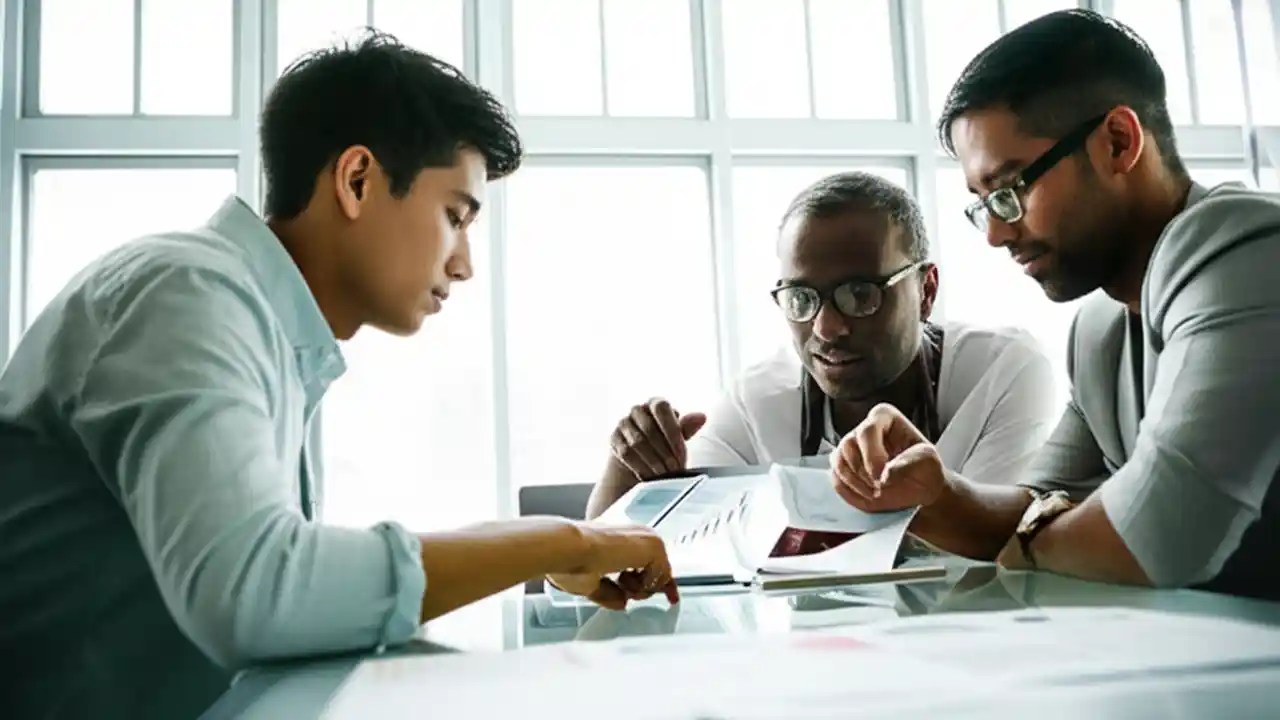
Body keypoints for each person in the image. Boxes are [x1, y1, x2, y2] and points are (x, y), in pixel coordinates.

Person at [0, 34, 675, 719]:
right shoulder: (188, 294)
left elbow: (286, 595)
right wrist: (561, 543)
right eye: (454, 216)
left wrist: (549, 549)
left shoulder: (257, 325)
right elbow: (258, 591)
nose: (464, 263)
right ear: (357, 180)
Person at [831, 10, 1279, 600]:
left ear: (1118, 142)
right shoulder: (1101, 328)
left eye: (1010, 190)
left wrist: (1027, 545)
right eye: (983, 203)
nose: (996, 233)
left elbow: (1155, 535)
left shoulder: (1247, 253)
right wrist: (933, 495)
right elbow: (1039, 504)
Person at [587, 171, 1057, 555]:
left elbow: (1008, 545)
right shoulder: (758, 401)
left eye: (860, 294)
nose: (827, 328)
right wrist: (631, 467)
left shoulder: (1002, 371)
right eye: (800, 298)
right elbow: (617, 553)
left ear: (926, 291)